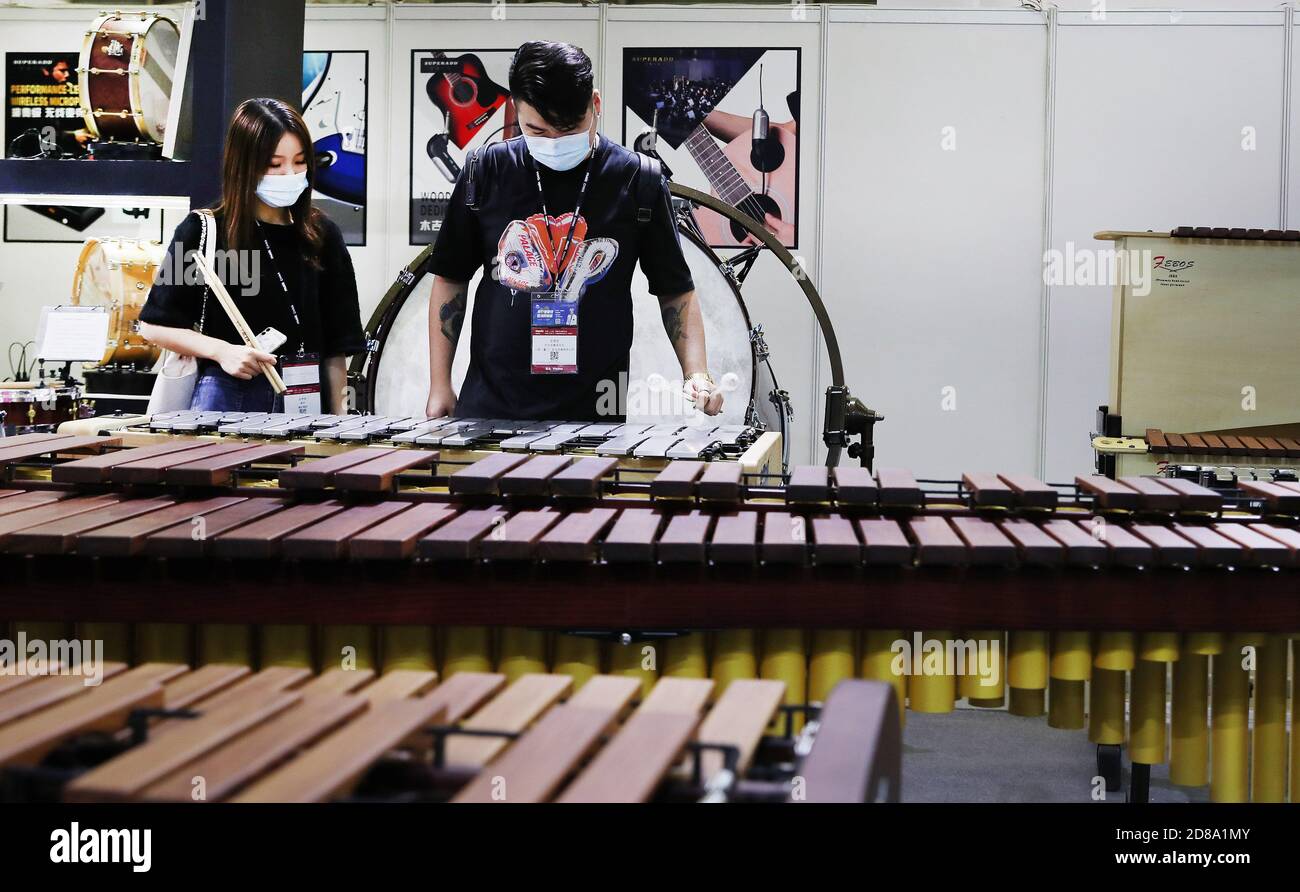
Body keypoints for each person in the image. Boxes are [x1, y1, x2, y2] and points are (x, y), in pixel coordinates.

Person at [425, 41, 723, 422]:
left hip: (597, 407)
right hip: (492, 404)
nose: (553, 142)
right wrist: (439, 384)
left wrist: (696, 372)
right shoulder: (485, 171)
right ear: (516, 109)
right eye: (537, 129)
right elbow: (450, 278)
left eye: (568, 129)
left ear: (595, 105)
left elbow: (675, 289)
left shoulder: (637, 181)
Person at [139, 98, 364, 413]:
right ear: (244, 164)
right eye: (275, 164)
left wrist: (341, 420)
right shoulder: (204, 232)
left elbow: (337, 349)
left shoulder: (323, 235)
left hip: (307, 401)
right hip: (226, 402)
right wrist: (222, 352)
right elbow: (153, 325)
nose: (290, 173)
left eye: (300, 161)